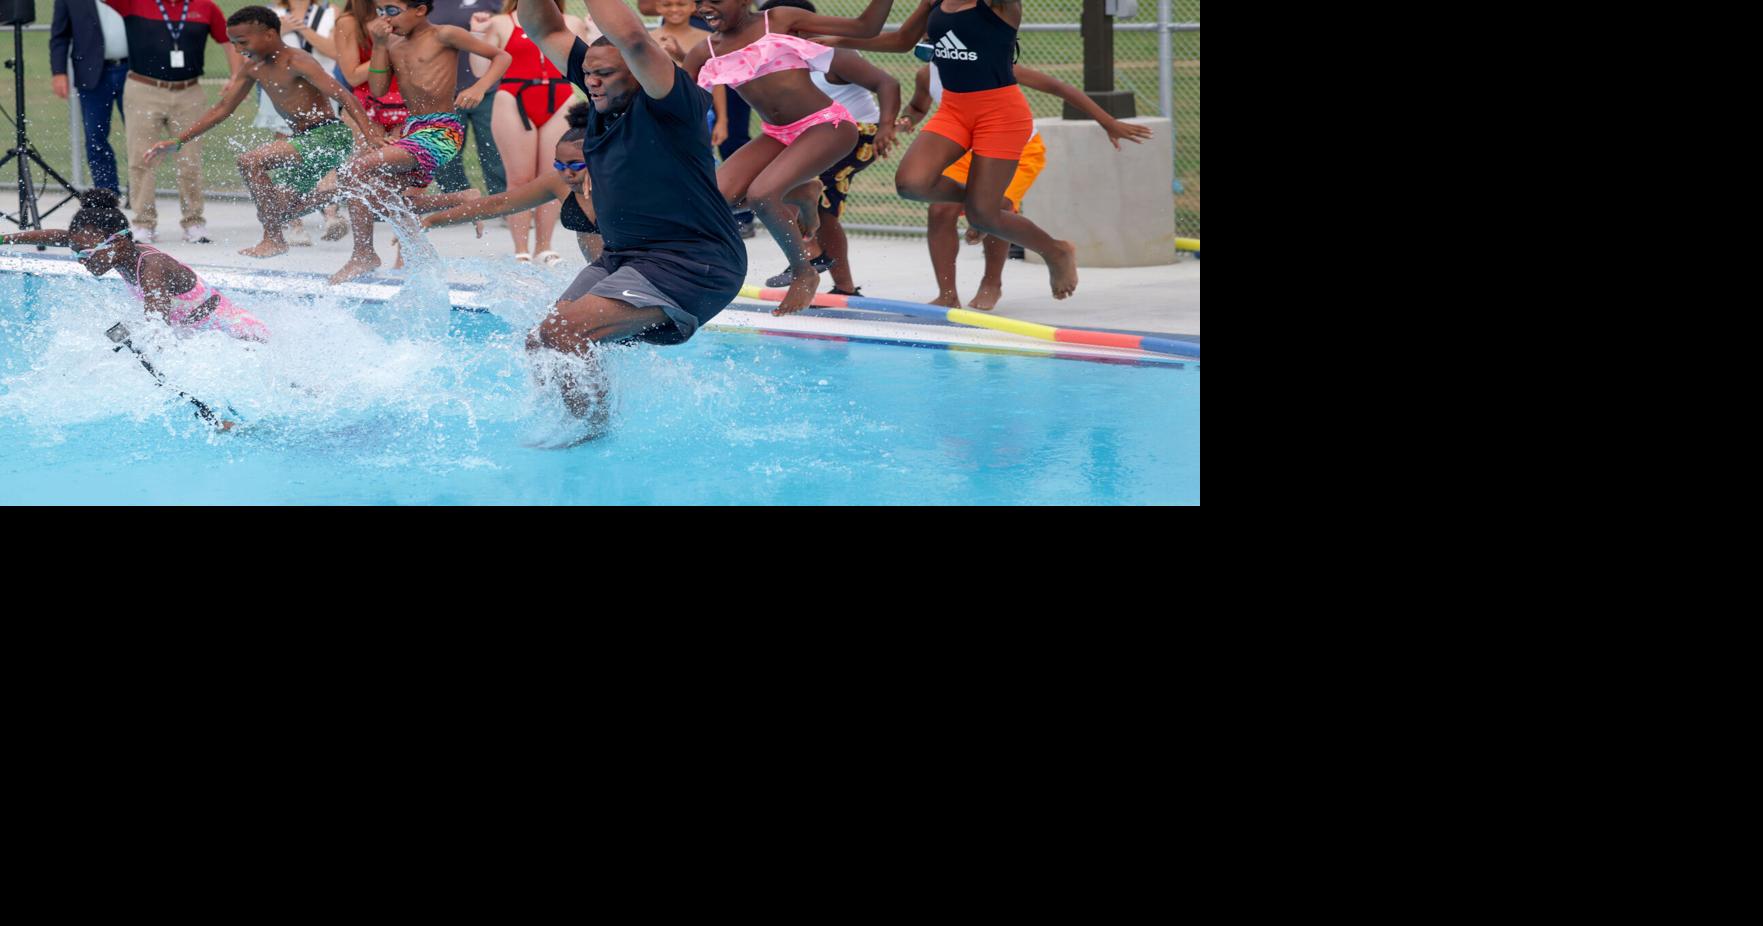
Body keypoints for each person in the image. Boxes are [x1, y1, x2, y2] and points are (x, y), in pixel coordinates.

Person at [517, 0, 746, 436]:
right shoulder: (604, 102)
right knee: (541, 343)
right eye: (588, 73)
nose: (592, 81)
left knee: (565, 333)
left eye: (604, 73)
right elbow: (542, 26)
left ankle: (591, 434)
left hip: (693, 262)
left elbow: (633, 36)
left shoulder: (674, 106)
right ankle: (569, 422)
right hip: (626, 257)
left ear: (640, 74)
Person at [825, 0, 1079, 301]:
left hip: (999, 110)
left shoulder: (999, 6)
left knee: (984, 215)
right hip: (955, 109)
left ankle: (1056, 250)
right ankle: (980, 203)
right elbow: (902, 40)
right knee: (912, 183)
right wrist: (835, 40)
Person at [685, 0, 893, 314]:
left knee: (762, 195)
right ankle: (804, 192)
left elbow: (865, 28)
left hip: (827, 125)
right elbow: (673, 102)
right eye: (699, 2)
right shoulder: (706, 51)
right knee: (714, 198)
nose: (705, 7)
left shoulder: (778, 19)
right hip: (776, 133)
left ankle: (803, 271)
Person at [898, 59, 1150, 308]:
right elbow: (918, 106)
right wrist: (907, 118)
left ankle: (992, 282)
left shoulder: (990, 63)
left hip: (1016, 145)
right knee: (941, 209)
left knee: (998, 209)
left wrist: (1107, 121)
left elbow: (1058, 87)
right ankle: (947, 294)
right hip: (966, 146)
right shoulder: (926, 75)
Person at [142, 6, 382, 261]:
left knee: (250, 161)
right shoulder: (253, 68)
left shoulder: (297, 61)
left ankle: (273, 239)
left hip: (328, 136)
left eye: (242, 42)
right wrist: (179, 140)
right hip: (303, 141)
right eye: (233, 43)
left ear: (269, 35)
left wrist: (370, 136)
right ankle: (345, 190)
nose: (237, 49)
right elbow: (223, 108)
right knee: (281, 210)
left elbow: (344, 95)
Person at [324, 0, 512, 285]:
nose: (386, 19)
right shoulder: (392, 44)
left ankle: (363, 255)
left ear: (420, 10)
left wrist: (479, 87)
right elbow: (377, 89)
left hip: (442, 130)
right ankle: (454, 207)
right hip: (413, 131)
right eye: (381, 12)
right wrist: (378, 46)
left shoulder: (444, 34)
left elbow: (502, 57)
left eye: (392, 11)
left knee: (354, 171)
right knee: (383, 199)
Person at [755, 0, 898, 298]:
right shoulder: (783, 57)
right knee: (824, 209)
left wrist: (887, 126)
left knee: (790, 186)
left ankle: (810, 253)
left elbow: (887, 83)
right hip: (820, 135)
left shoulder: (830, 53)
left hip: (856, 133)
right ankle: (844, 287)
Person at [0, 191, 269, 343]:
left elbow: (157, 327)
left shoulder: (152, 268)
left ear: (116, 241)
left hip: (236, 335)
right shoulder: (116, 251)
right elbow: (55, 236)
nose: (82, 260)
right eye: (77, 252)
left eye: (87, 253)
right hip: (199, 336)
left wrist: (123, 334)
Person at [108, 0, 244, 245]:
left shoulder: (205, 7)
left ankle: (194, 222)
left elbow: (229, 41)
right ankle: (143, 223)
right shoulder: (134, 3)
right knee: (142, 158)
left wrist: (236, 75)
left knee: (190, 160)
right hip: (144, 89)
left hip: (189, 92)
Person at [474, 0, 591, 266]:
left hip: (559, 95)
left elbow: (586, 66)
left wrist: (593, 35)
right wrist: (478, 34)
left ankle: (544, 246)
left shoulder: (571, 23)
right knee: (519, 178)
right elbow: (481, 71)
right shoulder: (502, 22)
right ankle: (521, 250)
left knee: (553, 175)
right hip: (514, 97)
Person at [422, 102, 601, 262]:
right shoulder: (558, 183)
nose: (567, 173)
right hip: (600, 274)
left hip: (626, 272)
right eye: (559, 165)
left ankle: (544, 248)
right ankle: (522, 252)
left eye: (576, 165)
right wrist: (431, 222)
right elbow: (499, 204)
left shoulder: (624, 181)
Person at [248, 0, 345, 244]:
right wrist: (282, 32)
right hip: (283, 91)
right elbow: (256, 53)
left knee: (327, 152)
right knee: (285, 153)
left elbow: (335, 51)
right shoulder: (271, 14)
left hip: (320, 89)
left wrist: (302, 29)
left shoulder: (329, 12)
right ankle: (295, 225)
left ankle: (332, 215)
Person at [425, 0, 511, 199]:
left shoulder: (494, 3)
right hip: (444, 91)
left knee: (495, 150)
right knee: (446, 152)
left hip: (488, 89)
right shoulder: (427, 4)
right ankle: (460, 201)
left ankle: (502, 202)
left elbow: (509, 30)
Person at [51, 0, 131, 194]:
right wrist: (59, 71)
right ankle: (107, 194)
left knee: (139, 133)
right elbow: (60, 36)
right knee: (95, 136)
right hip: (92, 73)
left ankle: (139, 192)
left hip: (132, 70)